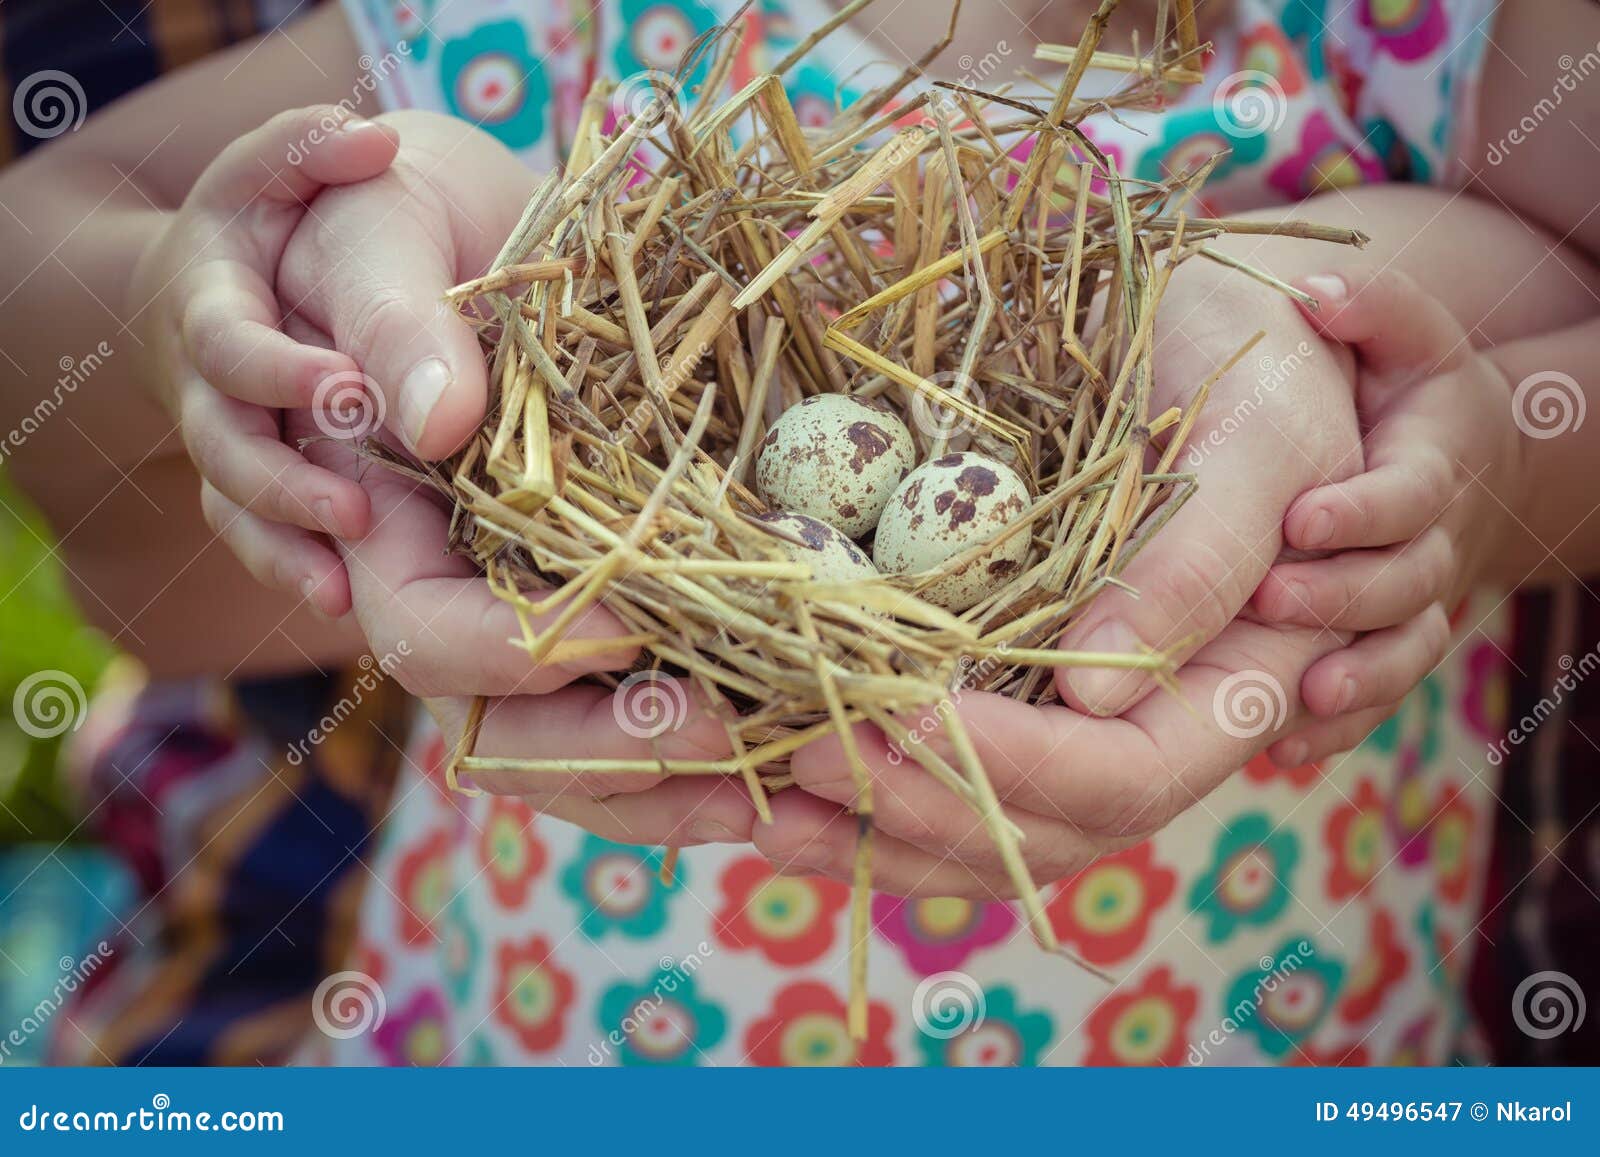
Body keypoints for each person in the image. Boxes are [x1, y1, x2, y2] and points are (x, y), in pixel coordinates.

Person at [2, 0, 1596, 1064]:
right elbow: (88, 384)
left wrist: (1463, 477)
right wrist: (216, 322)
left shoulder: (1436, 33)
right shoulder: (519, 32)